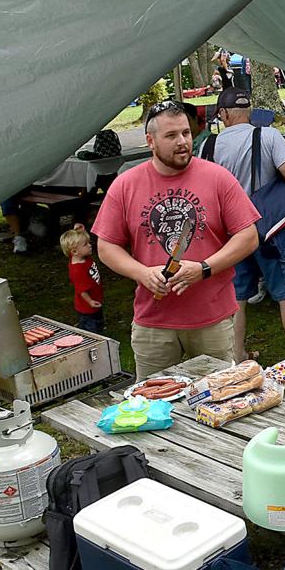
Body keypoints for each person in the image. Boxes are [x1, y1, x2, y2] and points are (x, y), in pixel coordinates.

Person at [92, 102, 260, 380]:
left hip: (212, 320)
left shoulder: (217, 177)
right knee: (153, 406)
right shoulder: (126, 184)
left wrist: (204, 268)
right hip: (153, 323)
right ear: (151, 141)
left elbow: (248, 235)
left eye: (186, 133)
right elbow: (106, 246)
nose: (182, 142)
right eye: (171, 136)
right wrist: (142, 273)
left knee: (216, 400)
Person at [203, 87, 285, 362]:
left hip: (230, 233)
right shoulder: (270, 136)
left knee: (237, 296)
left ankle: (237, 357)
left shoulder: (209, 145)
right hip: (268, 228)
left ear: (223, 114)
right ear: (248, 112)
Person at [60, 224, 104, 334]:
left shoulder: (82, 257)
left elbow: (78, 242)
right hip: (87, 307)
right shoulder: (77, 270)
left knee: (98, 322)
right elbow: (81, 290)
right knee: (91, 329)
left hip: (95, 299)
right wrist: (90, 302)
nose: (90, 245)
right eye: (86, 244)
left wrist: (82, 232)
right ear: (74, 252)